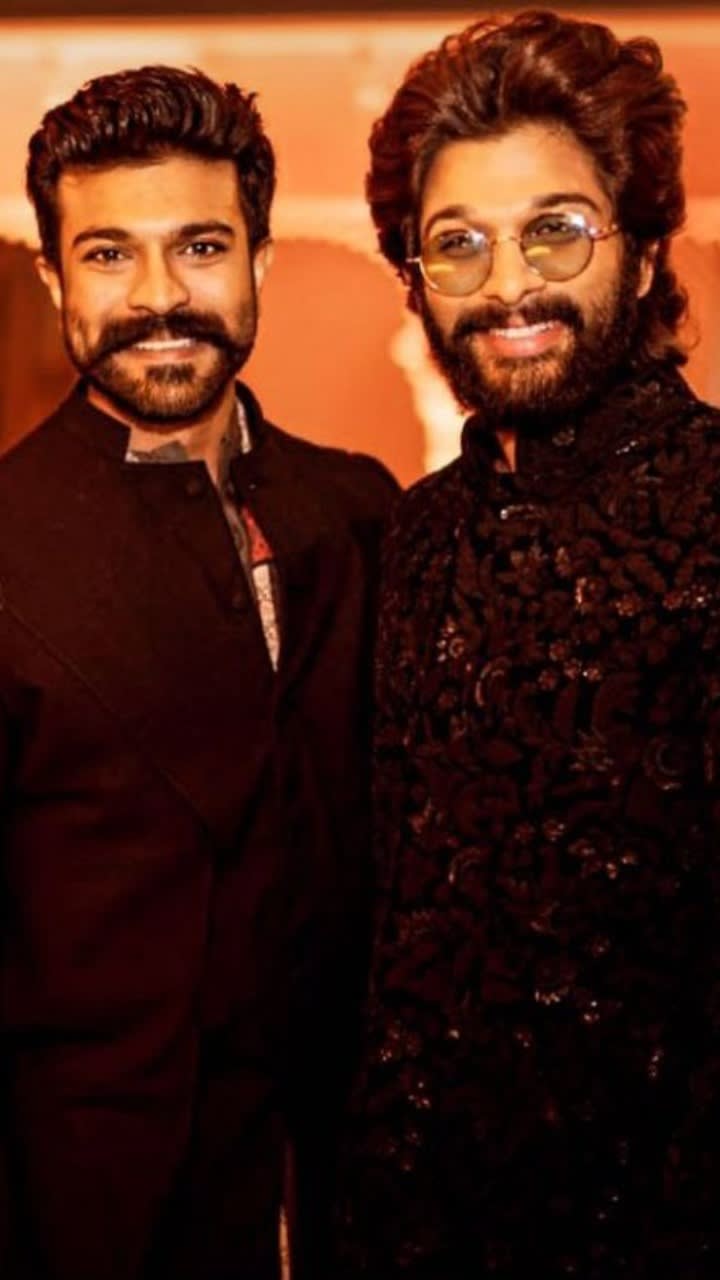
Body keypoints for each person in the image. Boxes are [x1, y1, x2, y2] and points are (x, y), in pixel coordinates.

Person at [337, 10, 720, 1278]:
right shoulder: (415, 537)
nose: (508, 284)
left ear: (644, 250)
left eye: (555, 229)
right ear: (415, 278)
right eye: (460, 243)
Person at [0, 65, 397, 1280]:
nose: (161, 295)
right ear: (55, 278)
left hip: (349, 1184)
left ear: (259, 259)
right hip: (87, 1207)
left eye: (202, 246)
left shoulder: (360, 510)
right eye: (109, 254)